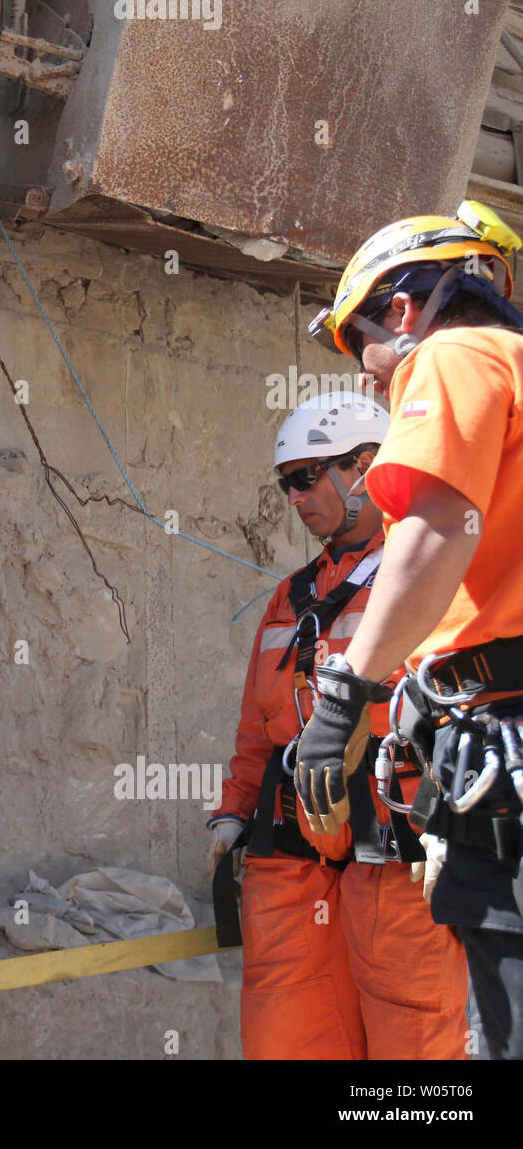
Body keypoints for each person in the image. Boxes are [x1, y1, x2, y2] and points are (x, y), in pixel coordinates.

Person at [296, 200, 523, 1060]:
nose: (367, 378)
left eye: (361, 347)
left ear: (403, 310)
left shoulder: (456, 354)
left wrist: (343, 697)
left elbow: (435, 534)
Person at [207, 391, 467, 1059]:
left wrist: (459, 823)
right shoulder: (290, 598)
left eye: (305, 478)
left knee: (414, 1036)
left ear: (366, 467)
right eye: (284, 483)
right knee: (286, 1032)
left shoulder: (429, 573)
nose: (294, 497)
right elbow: (256, 726)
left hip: (399, 844)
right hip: (292, 849)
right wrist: (233, 812)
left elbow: (465, 706)